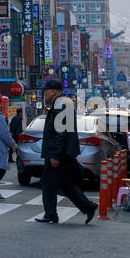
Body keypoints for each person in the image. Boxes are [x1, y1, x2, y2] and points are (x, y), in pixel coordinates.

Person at [38, 79, 96, 224]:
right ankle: (88, 207)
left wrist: (55, 154)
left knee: (49, 185)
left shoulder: (61, 105)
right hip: (64, 153)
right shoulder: (63, 104)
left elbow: (60, 132)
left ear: (53, 92)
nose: (45, 95)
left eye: (46, 92)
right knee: (65, 184)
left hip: (60, 154)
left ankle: (51, 214)